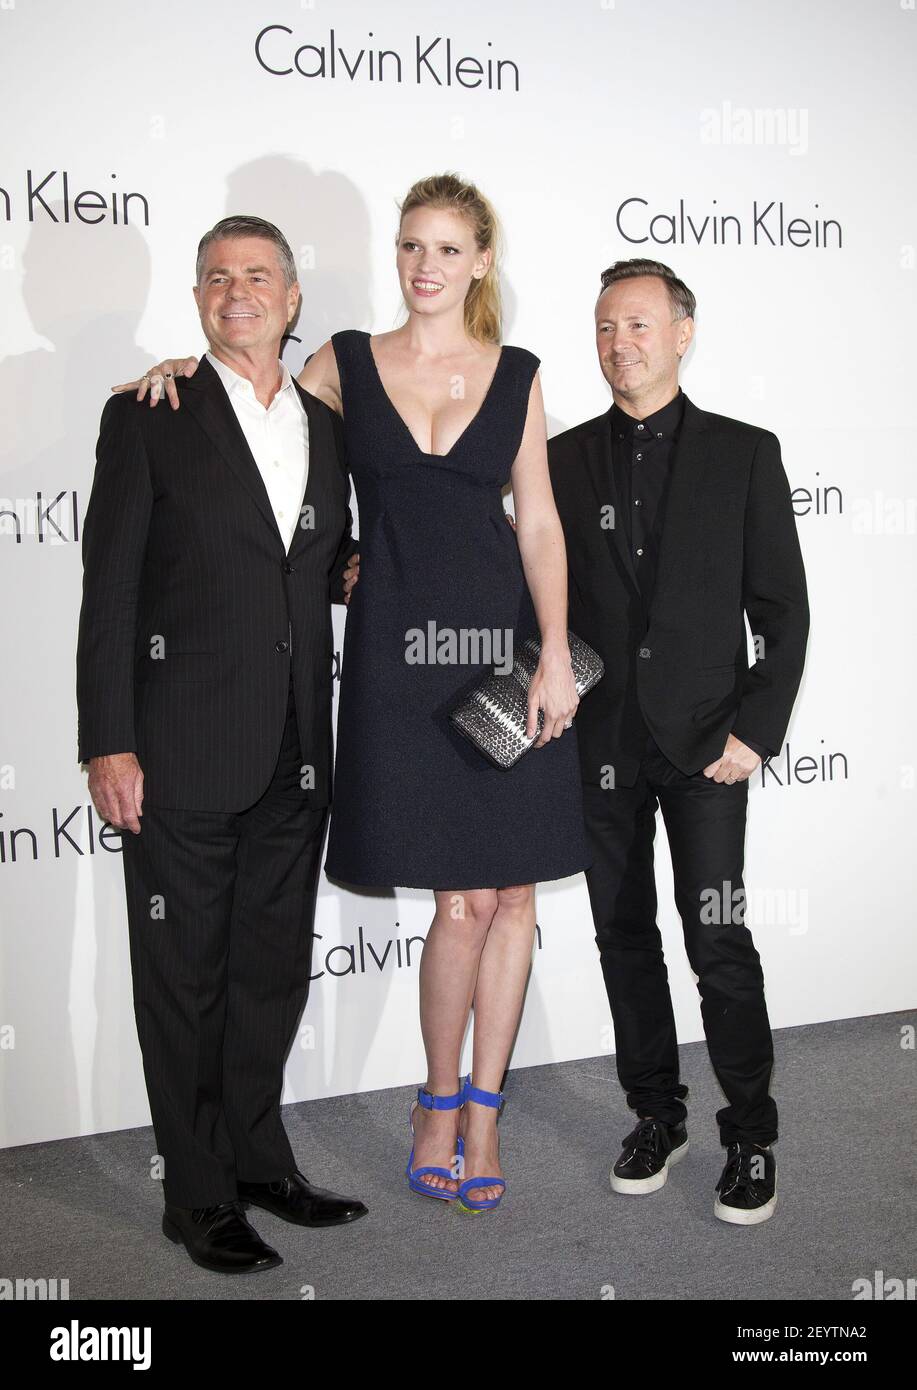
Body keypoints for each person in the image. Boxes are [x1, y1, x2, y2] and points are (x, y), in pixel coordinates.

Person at [113, 174, 591, 1214]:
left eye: (448, 249)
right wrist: (180, 374)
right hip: (393, 663)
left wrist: (554, 651)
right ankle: (432, 1101)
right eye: (411, 246)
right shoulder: (342, 364)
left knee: (508, 894)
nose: (426, 266)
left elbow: (542, 522)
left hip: (502, 648)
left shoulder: (515, 374)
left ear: (479, 262)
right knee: (456, 899)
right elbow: (251, 422)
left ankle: (483, 1114)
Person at [78, 215, 367, 1275]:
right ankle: (194, 1195)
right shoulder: (149, 413)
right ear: (198, 300)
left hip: (297, 748)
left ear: (294, 300)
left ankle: (257, 1159)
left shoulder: (327, 427)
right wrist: (107, 740)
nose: (234, 291)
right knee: (182, 978)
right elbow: (108, 591)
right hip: (180, 747)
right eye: (215, 278)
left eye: (256, 277)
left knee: (267, 971)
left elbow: (324, 561)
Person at [548, 258, 809, 1225]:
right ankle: (657, 1114)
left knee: (716, 939)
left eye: (640, 326)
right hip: (602, 744)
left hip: (708, 749)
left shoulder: (745, 452)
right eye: (607, 327)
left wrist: (755, 732)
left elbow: (784, 610)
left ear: (682, 332)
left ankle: (750, 1133)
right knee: (623, 939)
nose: (620, 344)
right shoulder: (564, 460)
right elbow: (533, 595)